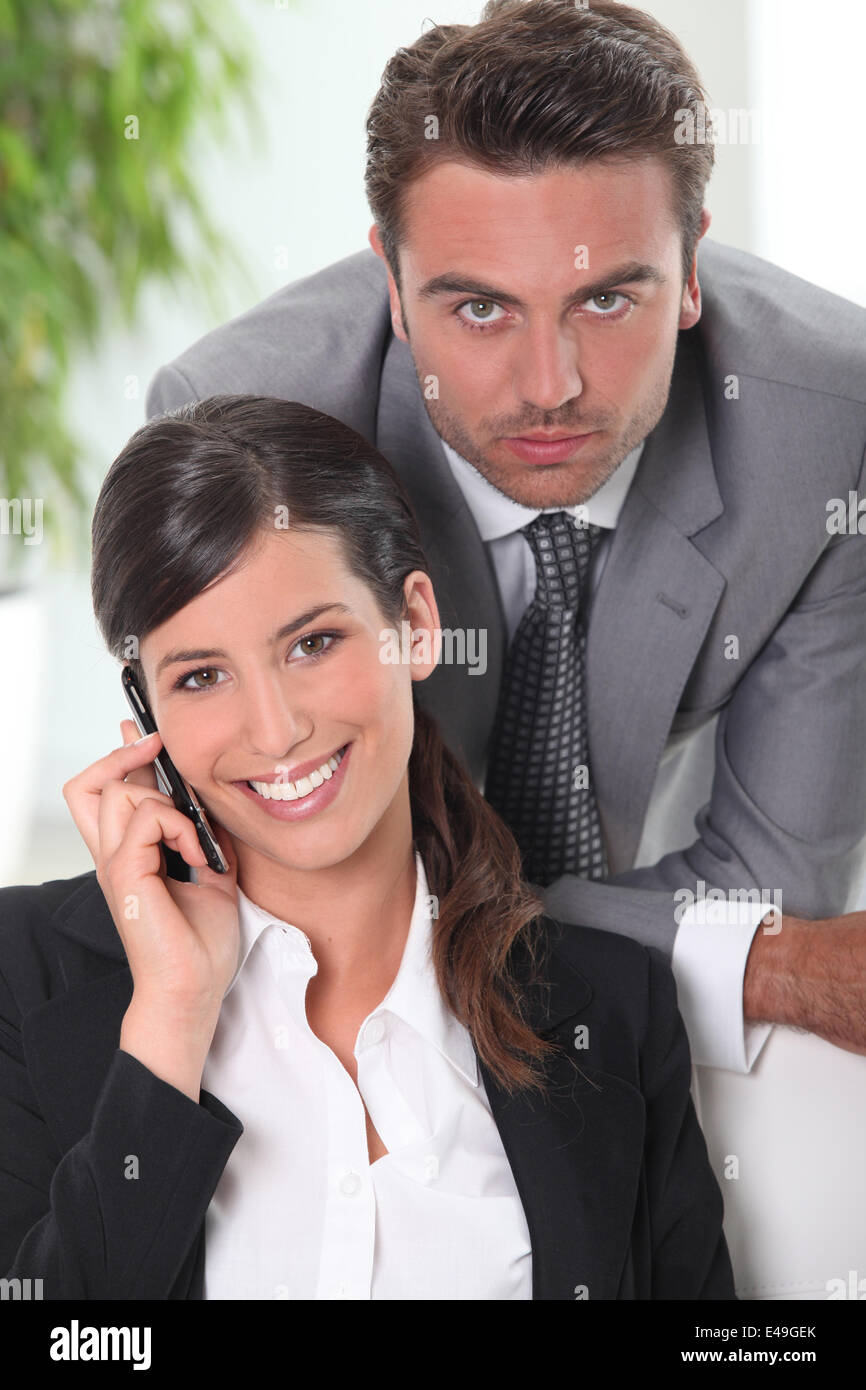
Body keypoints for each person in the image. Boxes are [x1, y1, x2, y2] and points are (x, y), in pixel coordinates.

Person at [144, 0, 866, 1298]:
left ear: (691, 264)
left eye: (606, 298)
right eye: (476, 308)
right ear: (389, 279)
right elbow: (289, 885)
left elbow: (776, 879)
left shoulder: (825, 424)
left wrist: (756, 939)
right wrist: (737, 956)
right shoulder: (236, 437)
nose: (548, 383)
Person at [0, 395, 734, 1300]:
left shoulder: (614, 1008)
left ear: (416, 624)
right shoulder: (22, 974)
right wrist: (172, 1017)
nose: (274, 732)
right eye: (200, 676)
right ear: (145, 710)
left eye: (312, 643)